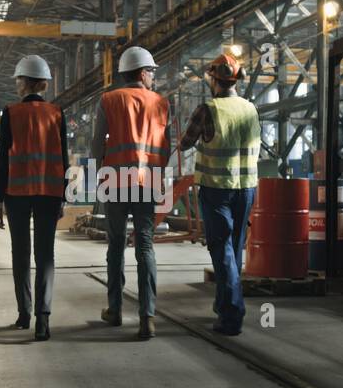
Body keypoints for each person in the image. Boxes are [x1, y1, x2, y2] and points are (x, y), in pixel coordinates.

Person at [91, 46, 170, 340]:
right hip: (147, 181)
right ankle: (147, 316)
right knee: (145, 246)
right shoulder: (161, 103)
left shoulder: (108, 100)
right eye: (151, 72)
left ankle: (114, 310)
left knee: (115, 245)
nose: (153, 77)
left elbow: (96, 145)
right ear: (141, 72)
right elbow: (165, 147)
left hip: (115, 181)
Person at [178, 53, 260, 336]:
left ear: (214, 80)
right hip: (247, 188)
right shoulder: (250, 109)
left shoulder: (207, 109)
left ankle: (231, 315)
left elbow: (185, 144)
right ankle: (224, 304)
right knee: (234, 250)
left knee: (222, 249)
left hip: (216, 189)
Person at [0, 55, 68, 341]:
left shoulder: (10, 113)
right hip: (49, 193)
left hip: (17, 193)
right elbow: (64, 159)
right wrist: (63, 198)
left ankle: (24, 313)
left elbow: (2, 160)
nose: (17, 84)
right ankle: (43, 318)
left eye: (18, 79)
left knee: (20, 253)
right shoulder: (57, 113)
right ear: (43, 83)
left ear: (25, 82)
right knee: (45, 254)